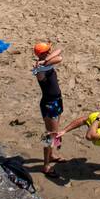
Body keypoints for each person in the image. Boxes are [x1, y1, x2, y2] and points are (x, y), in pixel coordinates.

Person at [33, 41, 64, 176]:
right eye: (48, 50)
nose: (51, 51)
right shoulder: (41, 68)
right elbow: (60, 57)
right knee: (50, 134)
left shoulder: (45, 62)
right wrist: (43, 63)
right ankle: (46, 165)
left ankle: (51, 155)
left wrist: (44, 60)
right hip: (49, 103)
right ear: (44, 53)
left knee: (54, 132)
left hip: (56, 100)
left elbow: (60, 50)